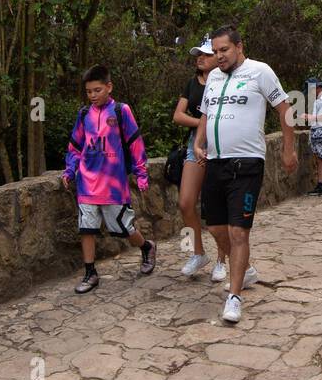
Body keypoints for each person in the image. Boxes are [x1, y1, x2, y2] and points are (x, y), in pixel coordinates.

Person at [194, 26, 298, 324]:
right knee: (215, 228)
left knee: (239, 231)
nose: (218, 56)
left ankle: (235, 297)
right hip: (215, 163)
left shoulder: (260, 72)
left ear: (239, 46)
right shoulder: (213, 77)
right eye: (214, 51)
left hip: (247, 163)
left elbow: (285, 109)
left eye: (223, 50)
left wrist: (288, 150)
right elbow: (206, 112)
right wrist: (199, 142)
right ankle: (247, 270)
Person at [62, 64, 156, 293]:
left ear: (109, 87)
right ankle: (90, 272)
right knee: (87, 228)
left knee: (124, 228)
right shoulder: (84, 114)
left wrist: (141, 174)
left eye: (97, 90)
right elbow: (75, 145)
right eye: (89, 92)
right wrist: (69, 170)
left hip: (113, 184)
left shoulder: (121, 111)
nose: (93, 96)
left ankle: (146, 247)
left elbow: (135, 143)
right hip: (87, 182)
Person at [172, 37, 228, 279]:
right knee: (185, 202)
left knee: (218, 206)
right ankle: (198, 253)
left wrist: (207, 125)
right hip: (195, 143)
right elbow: (178, 115)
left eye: (206, 54)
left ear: (218, 56)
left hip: (222, 141)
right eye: (199, 54)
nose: (201, 58)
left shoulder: (227, 81)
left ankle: (222, 260)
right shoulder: (192, 84)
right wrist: (202, 124)